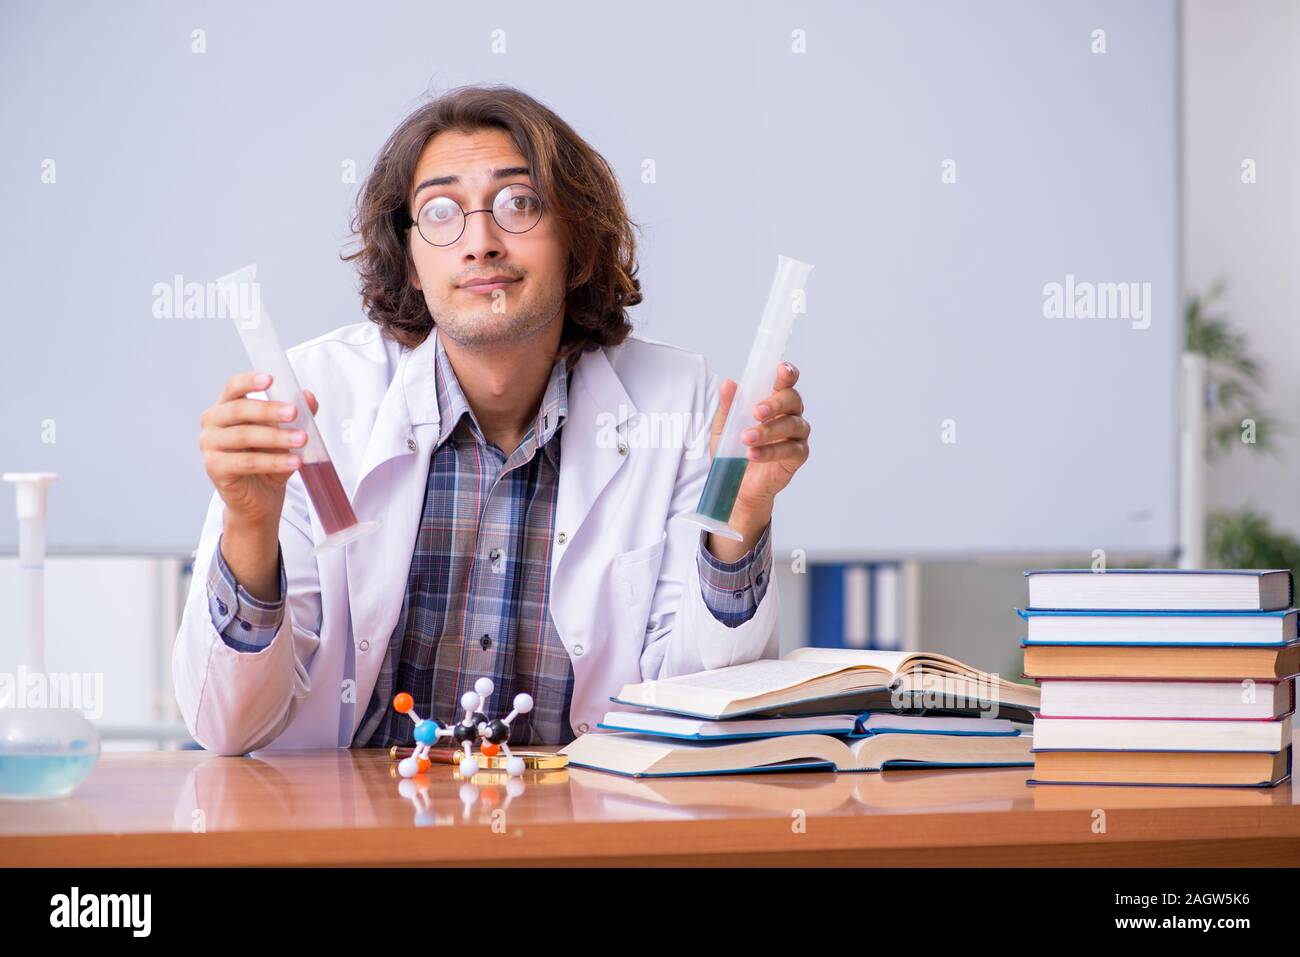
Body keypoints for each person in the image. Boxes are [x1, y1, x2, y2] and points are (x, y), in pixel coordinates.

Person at [173, 84, 811, 755]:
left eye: (519, 203)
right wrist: (249, 526)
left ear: (577, 240)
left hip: (581, 837)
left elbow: (700, 719)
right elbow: (229, 727)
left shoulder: (676, 402)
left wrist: (738, 526)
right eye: (440, 211)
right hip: (356, 838)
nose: (479, 242)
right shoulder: (317, 400)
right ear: (412, 262)